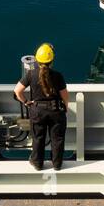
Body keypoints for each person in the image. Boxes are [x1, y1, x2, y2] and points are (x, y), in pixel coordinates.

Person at [16, 43, 69, 171]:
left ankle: (38, 163)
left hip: (37, 111)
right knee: (57, 139)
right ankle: (57, 164)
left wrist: (26, 102)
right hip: (56, 111)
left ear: (37, 60)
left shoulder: (30, 74)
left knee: (38, 138)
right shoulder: (58, 76)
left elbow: (18, 91)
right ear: (52, 60)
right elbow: (65, 96)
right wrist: (65, 108)